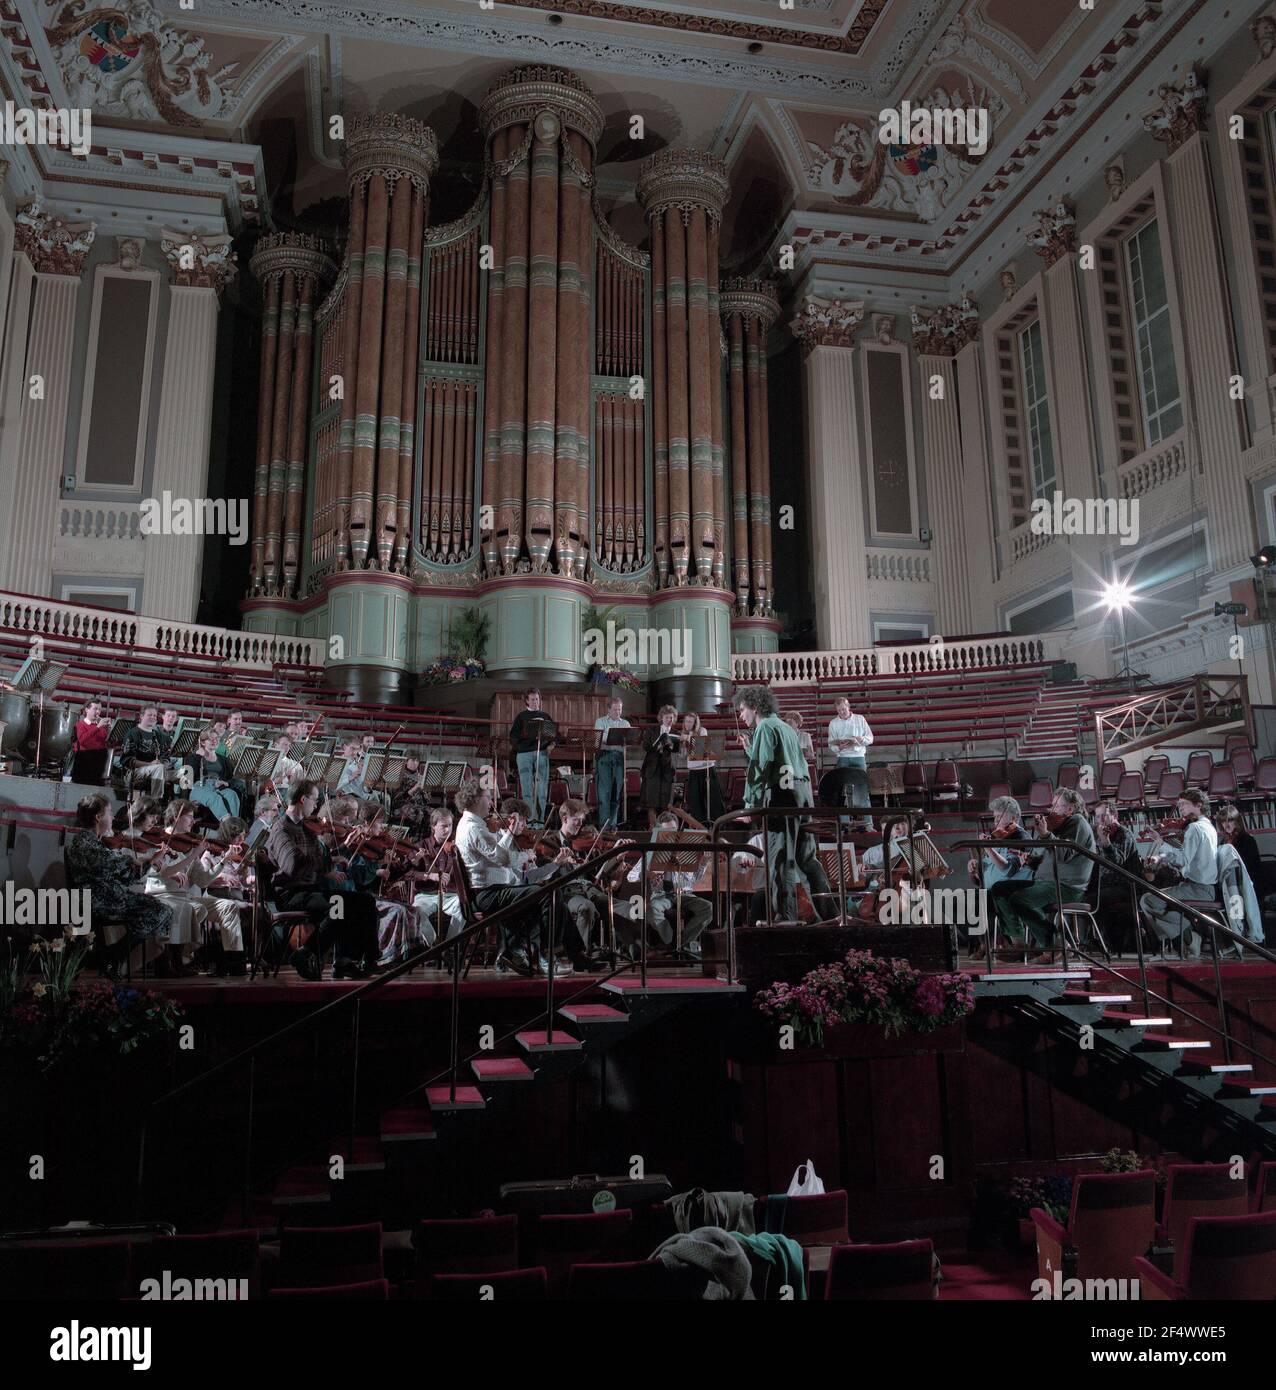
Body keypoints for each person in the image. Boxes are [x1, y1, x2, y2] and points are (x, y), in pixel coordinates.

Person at [734, 683, 833, 924]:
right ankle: (831, 915)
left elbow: (760, 768)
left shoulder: (765, 727)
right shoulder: (785, 727)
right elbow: (783, 761)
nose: (741, 715)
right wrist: (751, 748)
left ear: (755, 706)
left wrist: (750, 804)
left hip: (781, 796)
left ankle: (785, 918)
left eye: (743, 709)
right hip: (803, 795)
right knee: (806, 859)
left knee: (780, 860)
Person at [267, 780, 379, 981]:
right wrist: (326, 860)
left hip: (311, 890)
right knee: (339, 905)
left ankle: (357, 960)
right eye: (315, 800)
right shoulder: (281, 830)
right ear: (303, 799)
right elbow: (293, 866)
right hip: (290, 894)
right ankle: (307, 952)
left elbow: (319, 864)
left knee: (365, 901)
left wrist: (335, 854)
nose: (316, 805)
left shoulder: (307, 828)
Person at [453, 779, 567, 976]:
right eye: (488, 797)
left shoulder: (473, 825)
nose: (491, 803)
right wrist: (525, 856)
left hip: (488, 891)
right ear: (475, 799)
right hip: (486, 894)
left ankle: (521, 950)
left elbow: (497, 854)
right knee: (546, 894)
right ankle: (533, 952)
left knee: (543, 895)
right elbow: (503, 858)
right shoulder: (474, 828)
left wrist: (510, 833)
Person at [64, 793, 174, 975]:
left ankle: (113, 956)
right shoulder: (83, 842)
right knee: (158, 910)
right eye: (109, 812)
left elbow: (125, 875)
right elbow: (112, 863)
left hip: (111, 897)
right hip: (97, 900)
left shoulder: (96, 842)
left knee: (163, 910)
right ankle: (112, 956)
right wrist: (145, 860)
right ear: (98, 817)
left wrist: (148, 863)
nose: (113, 817)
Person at [990, 787, 1095, 956]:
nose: (1051, 810)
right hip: (1044, 883)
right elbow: (1040, 856)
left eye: (1057, 806)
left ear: (1070, 808)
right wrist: (1030, 860)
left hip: (1066, 886)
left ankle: (1056, 943)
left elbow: (1065, 854)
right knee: (999, 889)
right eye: (1052, 805)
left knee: (1020, 899)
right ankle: (1018, 942)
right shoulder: (1056, 825)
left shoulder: (1077, 822)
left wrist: (1046, 834)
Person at [1140, 789, 1218, 959]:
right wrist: (1162, 856)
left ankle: (1190, 938)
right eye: (1180, 804)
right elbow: (1186, 857)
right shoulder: (1209, 826)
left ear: (1198, 805)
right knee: (1157, 900)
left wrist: (1160, 842)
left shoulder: (1194, 828)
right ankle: (1184, 942)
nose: (1180, 807)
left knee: (1148, 900)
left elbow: (1183, 859)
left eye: (1184, 804)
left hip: (1198, 889)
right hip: (1204, 888)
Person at [626, 810, 712, 956]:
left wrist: (703, 863)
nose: (672, 836)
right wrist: (649, 874)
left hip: (685, 894)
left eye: (674, 831)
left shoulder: (686, 849)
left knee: (708, 908)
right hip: (662, 895)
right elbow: (631, 876)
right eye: (667, 832)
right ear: (659, 832)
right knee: (653, 909)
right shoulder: (652, 851)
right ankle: (671, 942)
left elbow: (694, 879)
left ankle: (681, 943)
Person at [1091, 799, 1143, 954]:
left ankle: (1102, 943)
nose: (1100, 819)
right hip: (1106, 885)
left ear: (1114, 815)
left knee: (1092, 900)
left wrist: (1106, 843)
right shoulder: (1099, 835)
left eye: (1104, 815)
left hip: (1124, 886)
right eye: (1097, 816)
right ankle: (1101, 942)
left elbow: (1117, 862)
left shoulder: (1124, 834)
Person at [411, 807, 466, 948]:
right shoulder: (421, 846)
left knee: (463, 908)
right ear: (433, 827)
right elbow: (408, 873)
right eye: (443, 826)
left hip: (450, 895)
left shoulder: (456, 846)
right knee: (416, 912)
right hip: (426, 895)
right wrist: (429, 875)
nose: (448, 830)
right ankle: (434, 946)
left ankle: (449, 946)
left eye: (450, 825)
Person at [510, 689, 556, 826]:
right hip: (524, 754)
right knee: (527, 790)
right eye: (533, 699)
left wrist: (551, 745)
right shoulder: (521, 717)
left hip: (541, 753)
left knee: (542, 790)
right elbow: (513, 737)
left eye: (537, 699)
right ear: (527, 701)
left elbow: (554, 735)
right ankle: (529, 821)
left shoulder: (545, 716)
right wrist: (524, 743)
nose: (536, 702)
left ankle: (540, 822)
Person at [827, 697, 873, 818]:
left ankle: (868, 823)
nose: (841, 712)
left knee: (862, 790)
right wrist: (839, 747)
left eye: (843, 709)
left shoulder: (860, 719)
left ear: (848, 707)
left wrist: (861, 739)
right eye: (839, 710)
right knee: (842, 791)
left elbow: (870, 738)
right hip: (842, 757)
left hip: (858, 756)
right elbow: (831, 743)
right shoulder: (833, 723)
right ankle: (844, 822)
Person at [185, 729, 241, 821]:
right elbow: (187, 777)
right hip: (198, 787)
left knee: (232, 795)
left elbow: (232, 778)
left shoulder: (223, 759)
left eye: (216, 738)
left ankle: (234, 822)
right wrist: (198, 756)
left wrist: (226, 783)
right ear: (203, 742)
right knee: (214, 798)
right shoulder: (193, 757)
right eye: (211, 739)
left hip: (217, 786)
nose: (215, 741)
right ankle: (228, 823)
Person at [681, 710, 725, 824]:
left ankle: (717, 823)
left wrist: (689, 738)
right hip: (693, 770)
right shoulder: (683, 734)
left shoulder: (702, 730)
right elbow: (683, 755)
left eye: (690, 722)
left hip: (706, 769)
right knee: (695, 800)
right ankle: (699, 824)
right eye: (686, 721)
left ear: (695, 723)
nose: (688, 724)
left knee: (713, 798)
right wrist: (682, 744)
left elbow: (701, 749)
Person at [593, 695, 630, 830]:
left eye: (620, 709)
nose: (618, 712)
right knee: (604, 793)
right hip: (605, 757)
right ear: (608, 709)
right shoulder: (600, 721)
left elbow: (630, 738)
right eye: (615, 709)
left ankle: (613, 825)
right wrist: (615, 737)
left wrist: (611, 737)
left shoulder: (625, 723)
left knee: (616, 793)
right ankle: (604, 826)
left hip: (619, 758)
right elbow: (599, 739)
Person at [641, 706, 680, 828]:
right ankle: (652, 828)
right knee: (651, 801)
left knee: (666, 801)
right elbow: (645, 746)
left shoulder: (676, 733)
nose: (669, 720)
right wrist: (656, 747)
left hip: (668, 769)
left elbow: (677, 750)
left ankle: (666, 828)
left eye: (671, 718)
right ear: (661, 718)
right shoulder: (652, 730)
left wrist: (671, 746)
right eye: (667, 717)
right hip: (652, 768)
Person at [120, 705, 171, 799]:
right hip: (134, 772)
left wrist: (164, 764)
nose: (153, 717)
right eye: (149, 715)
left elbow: (165, 756)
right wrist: (150, 764)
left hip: (157, 769)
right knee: (159, 768)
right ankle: (155, 801)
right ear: (141, 716)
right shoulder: (133, 733)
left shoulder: (158, 735)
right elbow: (128, 761)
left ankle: (183, 803)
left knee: (187, 771)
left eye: (155, 715)